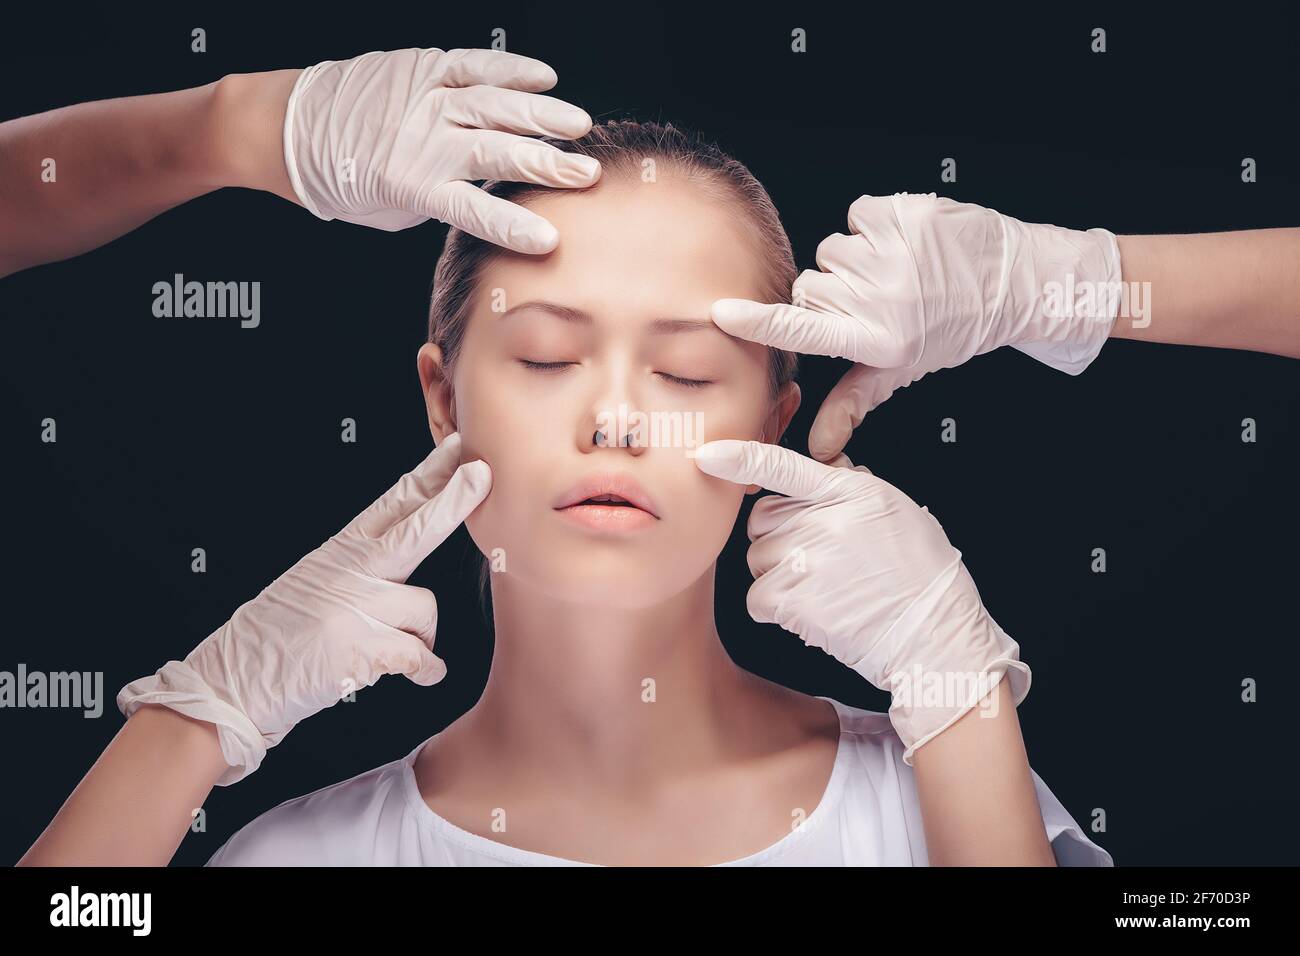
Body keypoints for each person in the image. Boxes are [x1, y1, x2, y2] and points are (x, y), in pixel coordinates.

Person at [189, 120, 1101, 866]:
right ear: (443, 399)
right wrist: (197, 717)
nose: (619, 422)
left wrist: (961, 700)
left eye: (686, 372)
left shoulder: (947, 797)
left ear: (772, 426)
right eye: (547, 358)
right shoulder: (299, 857)